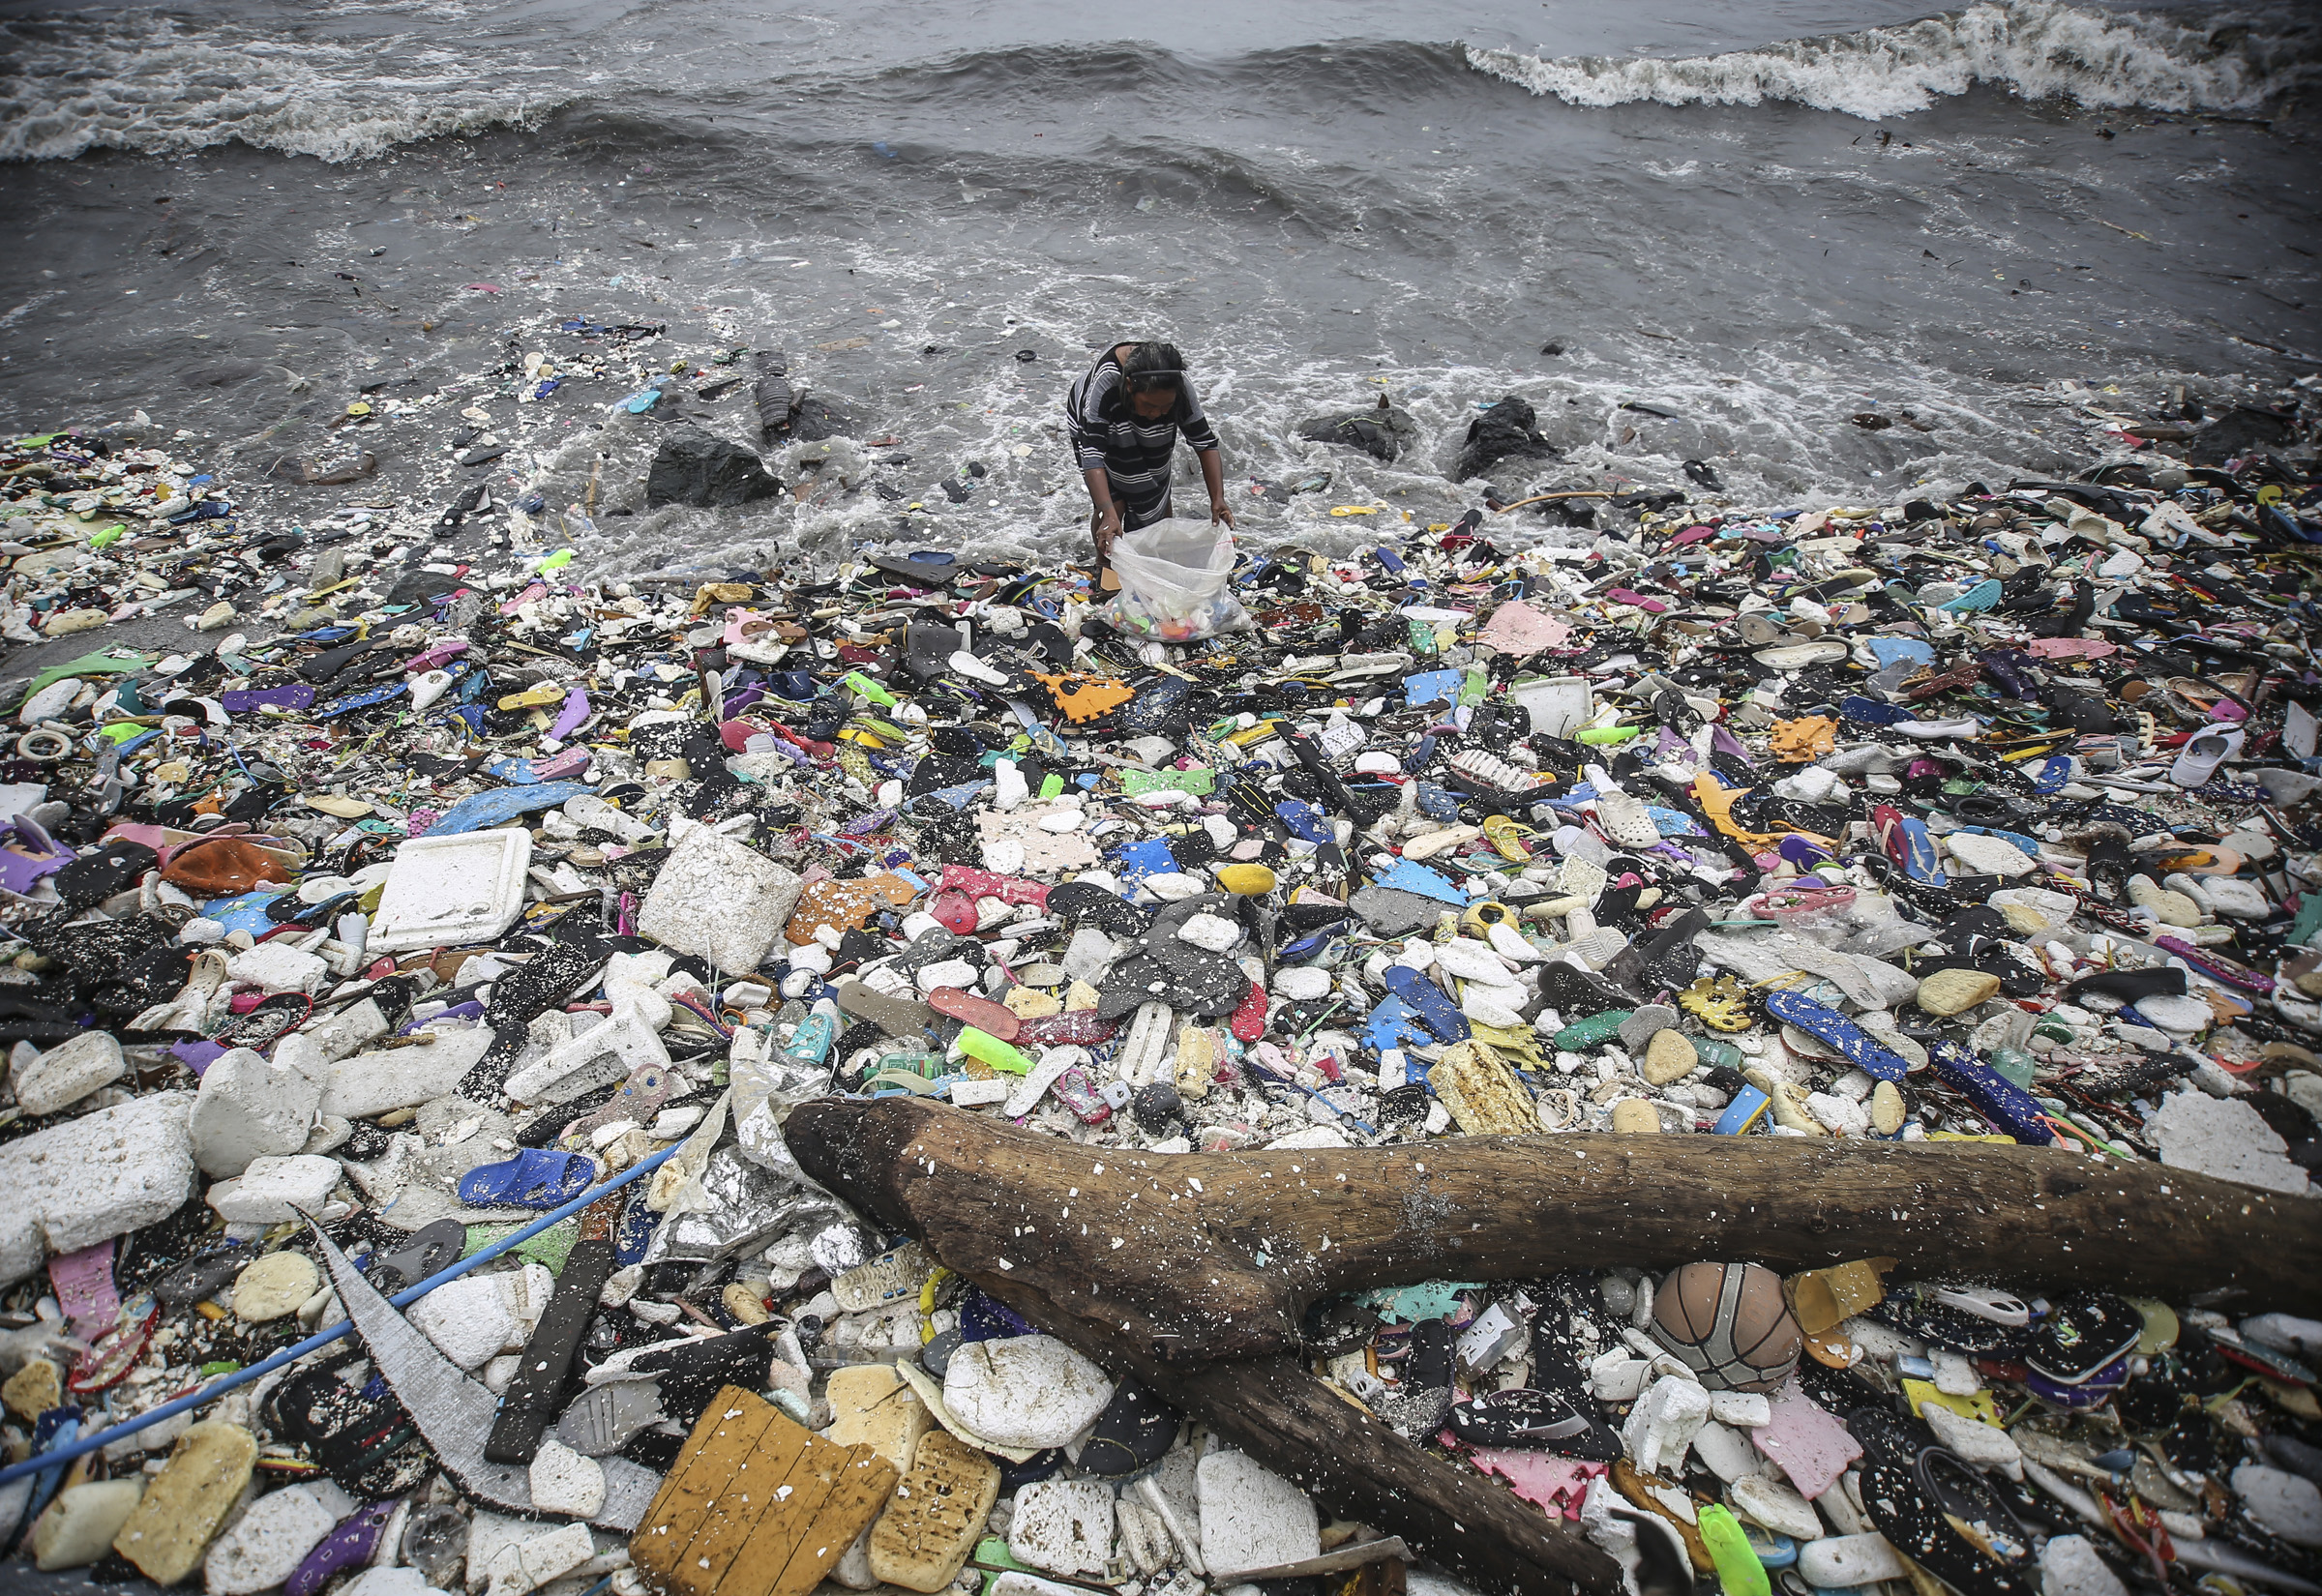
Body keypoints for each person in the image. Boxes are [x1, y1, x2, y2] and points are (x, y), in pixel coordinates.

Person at [1065, 340, 1233, 587]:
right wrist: (1108, 513)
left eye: (1166, 407)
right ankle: (1105, 569)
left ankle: (1152, 565)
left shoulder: (1177, 386)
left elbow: (1205, 442)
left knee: (1153, 491)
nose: (1156, 413)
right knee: (1113, 503)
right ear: (1131, 385)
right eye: (1151, 406)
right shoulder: (1105, 384)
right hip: (1097, 419)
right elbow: (1092, 456)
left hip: (1144, 411)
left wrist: (1217, 498)